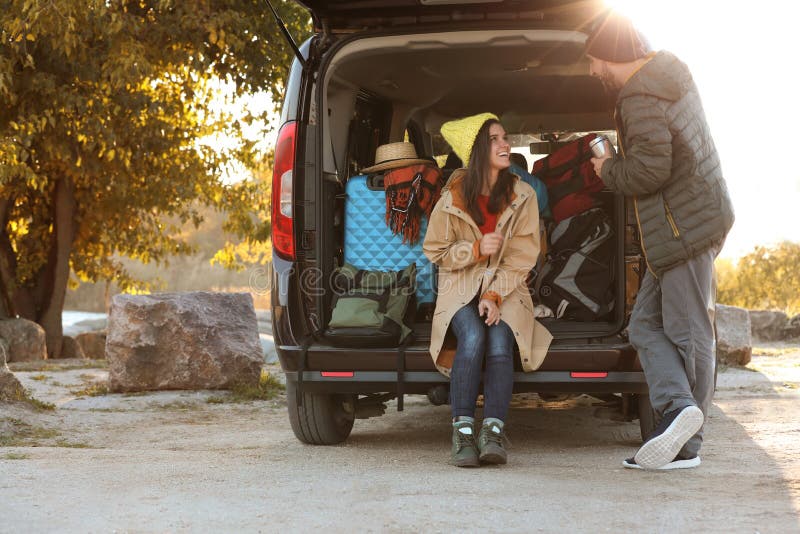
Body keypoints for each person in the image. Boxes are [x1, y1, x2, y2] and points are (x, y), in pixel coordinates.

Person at [586, 11, 734, 470]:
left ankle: (687, 446)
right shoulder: (665, 79)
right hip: (675, 232)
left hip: (682, 231)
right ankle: (677, 411)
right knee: (645, 327)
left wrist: (606, 167)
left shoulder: (639, 96)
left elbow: (650, 170)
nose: (592, 71)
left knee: (691, 336)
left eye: (594, 61)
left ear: (612, 56)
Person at [423, 112, 552, 467]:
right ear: (479, 149)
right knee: (474, 336)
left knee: (498, 339)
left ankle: (492, 432)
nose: (505, 144)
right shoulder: (452, 197)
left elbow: (524, 256)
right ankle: (462, 432)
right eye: (495, 139)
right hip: (460, 287)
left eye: (505, 137)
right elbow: (435, 250)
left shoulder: (523, 195)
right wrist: (476, 250)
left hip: (508, 290)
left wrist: (494, 295)